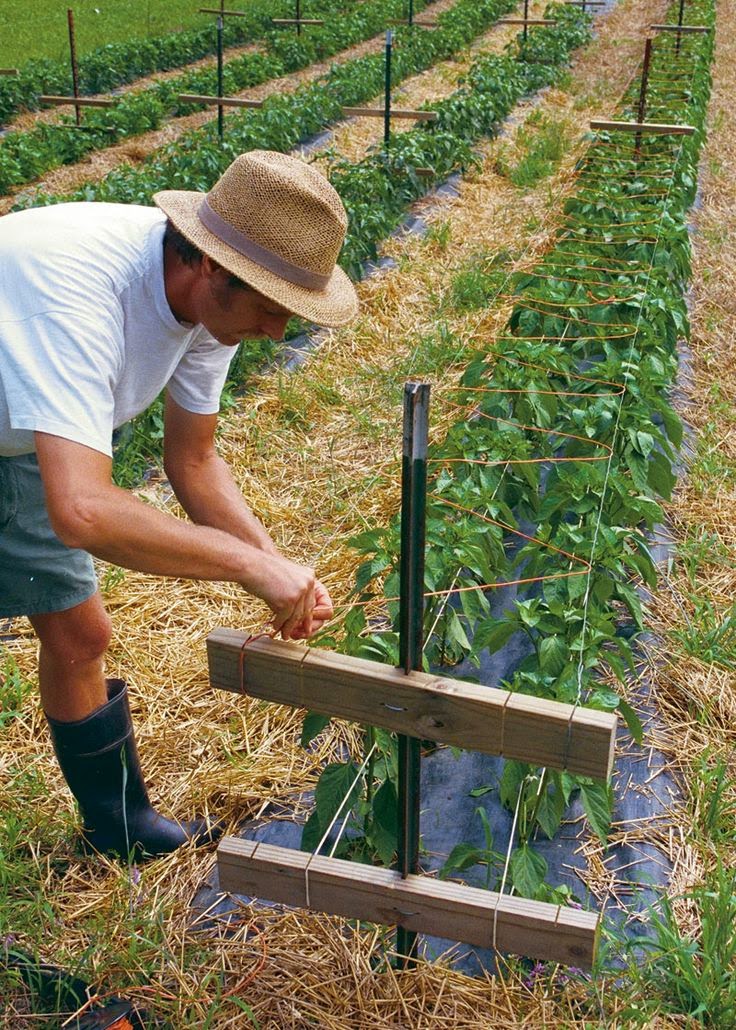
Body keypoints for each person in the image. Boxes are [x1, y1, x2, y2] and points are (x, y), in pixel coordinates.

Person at [0, 150, 359, 859]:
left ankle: (119, 830)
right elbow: (83, 509)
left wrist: (277, 568)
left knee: (79, 637)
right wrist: (245, 568)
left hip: (17, 439)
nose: (278, 332)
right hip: (31, 435)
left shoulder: (212, 310)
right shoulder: (77, 285)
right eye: (269, 307)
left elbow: (192, 462)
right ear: (208, 265)